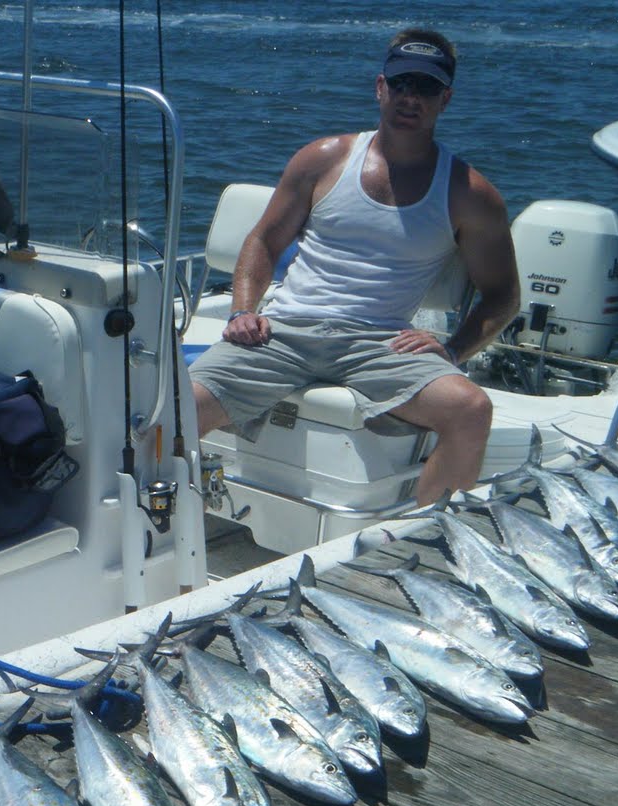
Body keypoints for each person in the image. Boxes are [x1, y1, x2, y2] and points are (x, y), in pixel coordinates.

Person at [190, 29, 520, 506]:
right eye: (402, 82)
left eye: (426, 87)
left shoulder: (471, 194)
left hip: (382, 343)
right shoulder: (321, 160)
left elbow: (503, 295)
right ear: (380, 87)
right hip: (283, 330)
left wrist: (452, 350)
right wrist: (242, 310)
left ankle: (426, 539)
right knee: (175, 410)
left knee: (470, 410)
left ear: (445, 99)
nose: (411, 97)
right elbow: (263, 240)